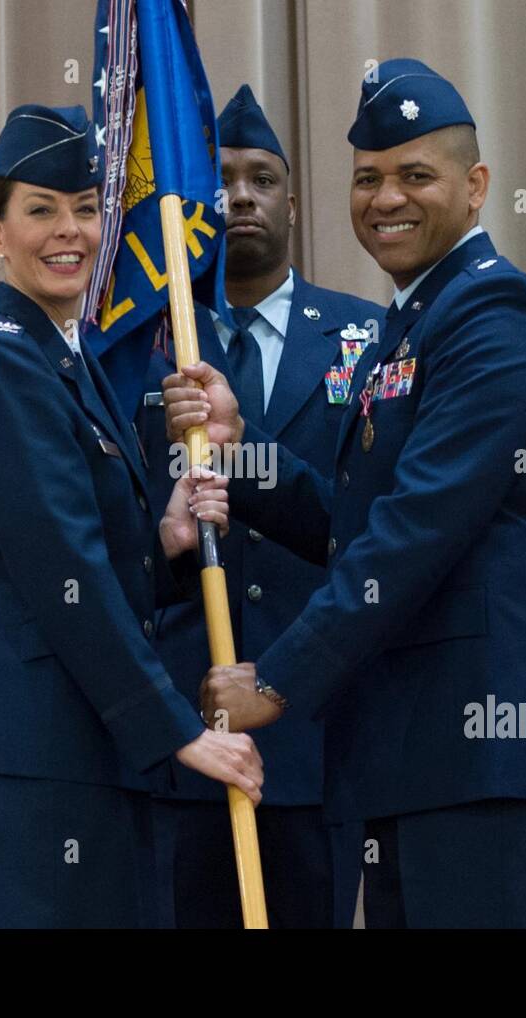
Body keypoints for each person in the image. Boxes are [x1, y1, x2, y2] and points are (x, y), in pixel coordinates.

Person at [163, 60, 526, 928]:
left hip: (486, 748)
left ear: (475, 186)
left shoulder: (496, 316)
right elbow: (354, 525)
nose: (386, 199)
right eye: (367, 178)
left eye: (415, 175)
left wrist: (279, 681)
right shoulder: (410, 326)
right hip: (412, 755)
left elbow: (416, 529)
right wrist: (238, 450)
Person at [0, 103, 263, 929]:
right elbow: (66, 573)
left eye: (85, 209)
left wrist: (168, 540)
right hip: (39, 763)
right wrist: (180, 731)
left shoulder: (64, 359)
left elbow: (99, 554)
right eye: (40, 210)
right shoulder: (4, 365)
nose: (68, 231)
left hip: (95, 755)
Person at [136, 85, 383, 929]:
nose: (240, 196)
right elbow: (123, 531)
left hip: (316, 736)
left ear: (293, 204)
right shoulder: (149, 345)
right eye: (222, 181)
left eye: (262, 180)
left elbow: (369, 527)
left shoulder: (368, 341)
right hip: (185, 736)